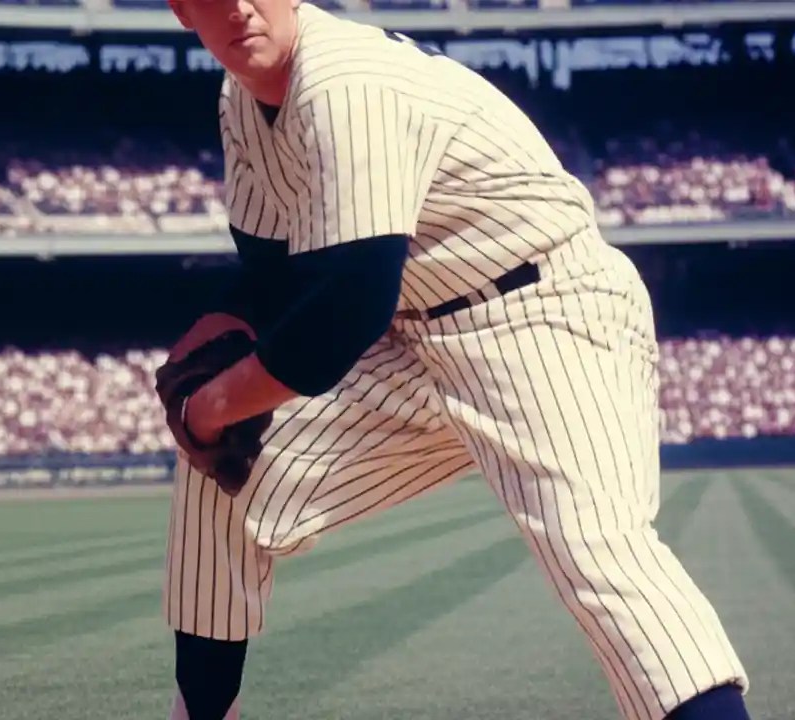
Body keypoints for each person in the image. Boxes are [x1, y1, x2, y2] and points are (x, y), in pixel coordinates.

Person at [160, 1, 751, 718]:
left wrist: (213, 403)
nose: (239, 7)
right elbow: (271, 274)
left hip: (545, 312)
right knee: (226, 477)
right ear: (182, 10)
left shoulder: (343, 80)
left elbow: (348, 306)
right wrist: (209, 337)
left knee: (599, 554)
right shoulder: (241, 97)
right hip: (416, 337)